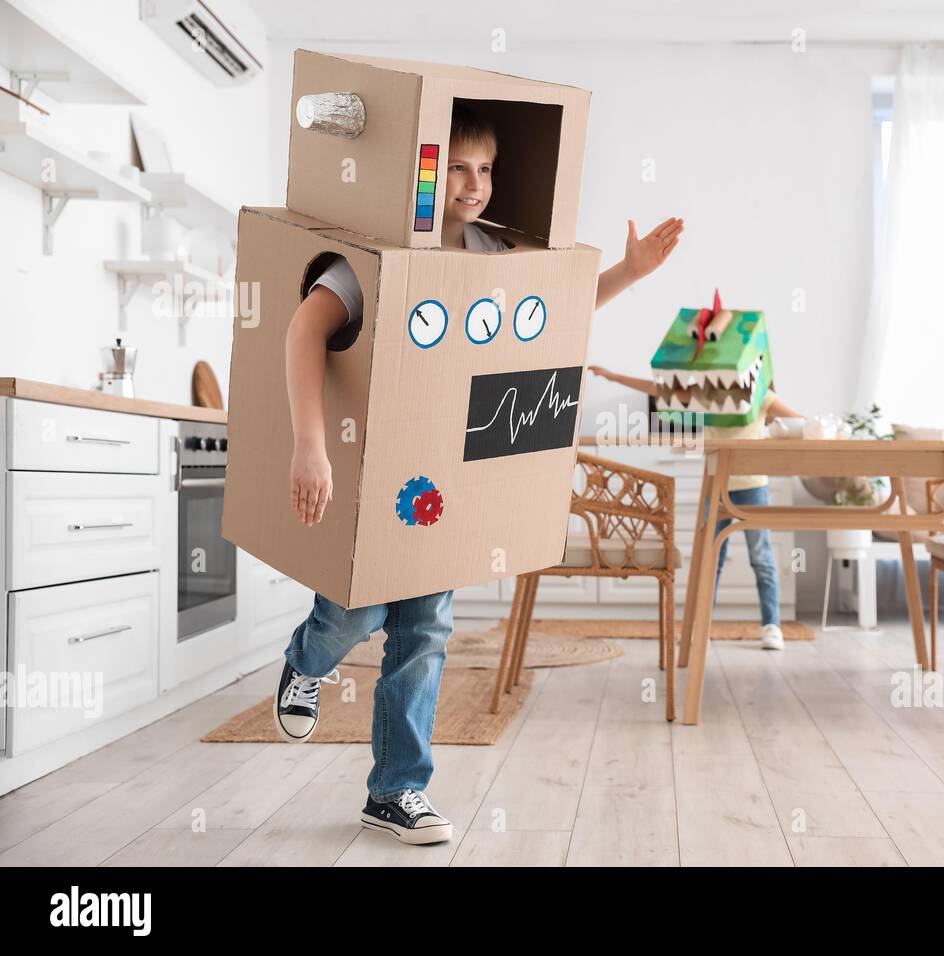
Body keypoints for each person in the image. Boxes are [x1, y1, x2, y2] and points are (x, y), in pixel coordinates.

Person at [274, 104, 684, 845]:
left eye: (485, 168)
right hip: (367, 471)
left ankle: (396, 791)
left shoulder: (498, 250)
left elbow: (552, 311)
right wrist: (310, 443)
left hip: (444, 479)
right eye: (454, 167)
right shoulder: (374, 253)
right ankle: (307, 657)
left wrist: (629, 271)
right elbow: (306, 327)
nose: (472, 184)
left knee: (426, 627)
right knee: (356, 615)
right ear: (418, 173)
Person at [588, 359, 801, 649]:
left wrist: (772, 437)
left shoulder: (761, 397)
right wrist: (613, 376)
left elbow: (799, 422)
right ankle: (702, 626)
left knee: (761, 558)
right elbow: (657, 390)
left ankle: (772, 626)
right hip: (716, 486)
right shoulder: (706, 398)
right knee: (709, 560)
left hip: (753, 487)